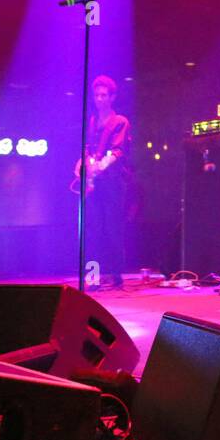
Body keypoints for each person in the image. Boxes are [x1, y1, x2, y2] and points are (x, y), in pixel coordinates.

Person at [80, 75, 133, 290]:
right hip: (95, 183)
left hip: (112, 183)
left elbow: (118, 151)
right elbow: (87, 147)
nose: (99, 99)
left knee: (112, 228)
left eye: (104, 95)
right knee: (93, 228)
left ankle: (116, 274)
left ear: (112, 97)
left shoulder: (120, 121)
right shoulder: (92, 122)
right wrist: (83, 163)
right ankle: (93, 277)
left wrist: (100, 165)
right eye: (96, 95)